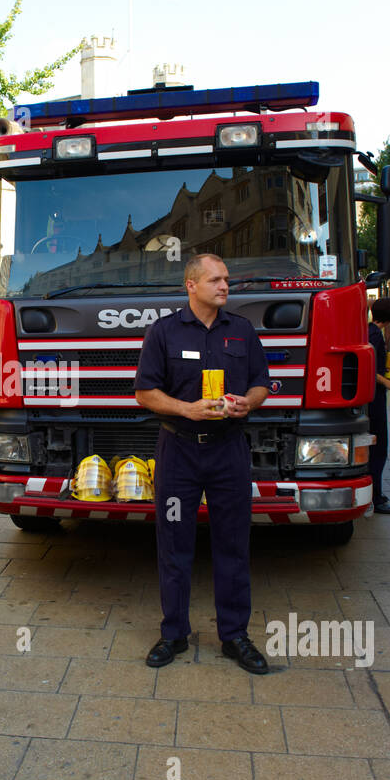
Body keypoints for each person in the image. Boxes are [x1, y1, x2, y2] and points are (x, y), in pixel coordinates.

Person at [133, 253, 271, 674]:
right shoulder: (165, 332)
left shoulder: (242, 331)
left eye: (227, 279)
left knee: (233, 545)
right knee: (175, 545)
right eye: (216, 280)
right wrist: (186, 409)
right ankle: (173, 633)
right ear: (191, 285)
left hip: (228, 451)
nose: (225, 286)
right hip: (179, 451)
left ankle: (235, 637)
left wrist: (249, 401)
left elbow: (262, 383)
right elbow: (145, 392)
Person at [367, 297, 390, 515]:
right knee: (379, 448)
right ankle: (376, 496)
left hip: (367, 397)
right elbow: (372, 369)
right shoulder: (376, 335)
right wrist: (389, 383)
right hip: (374, 397)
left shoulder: (366, 330)